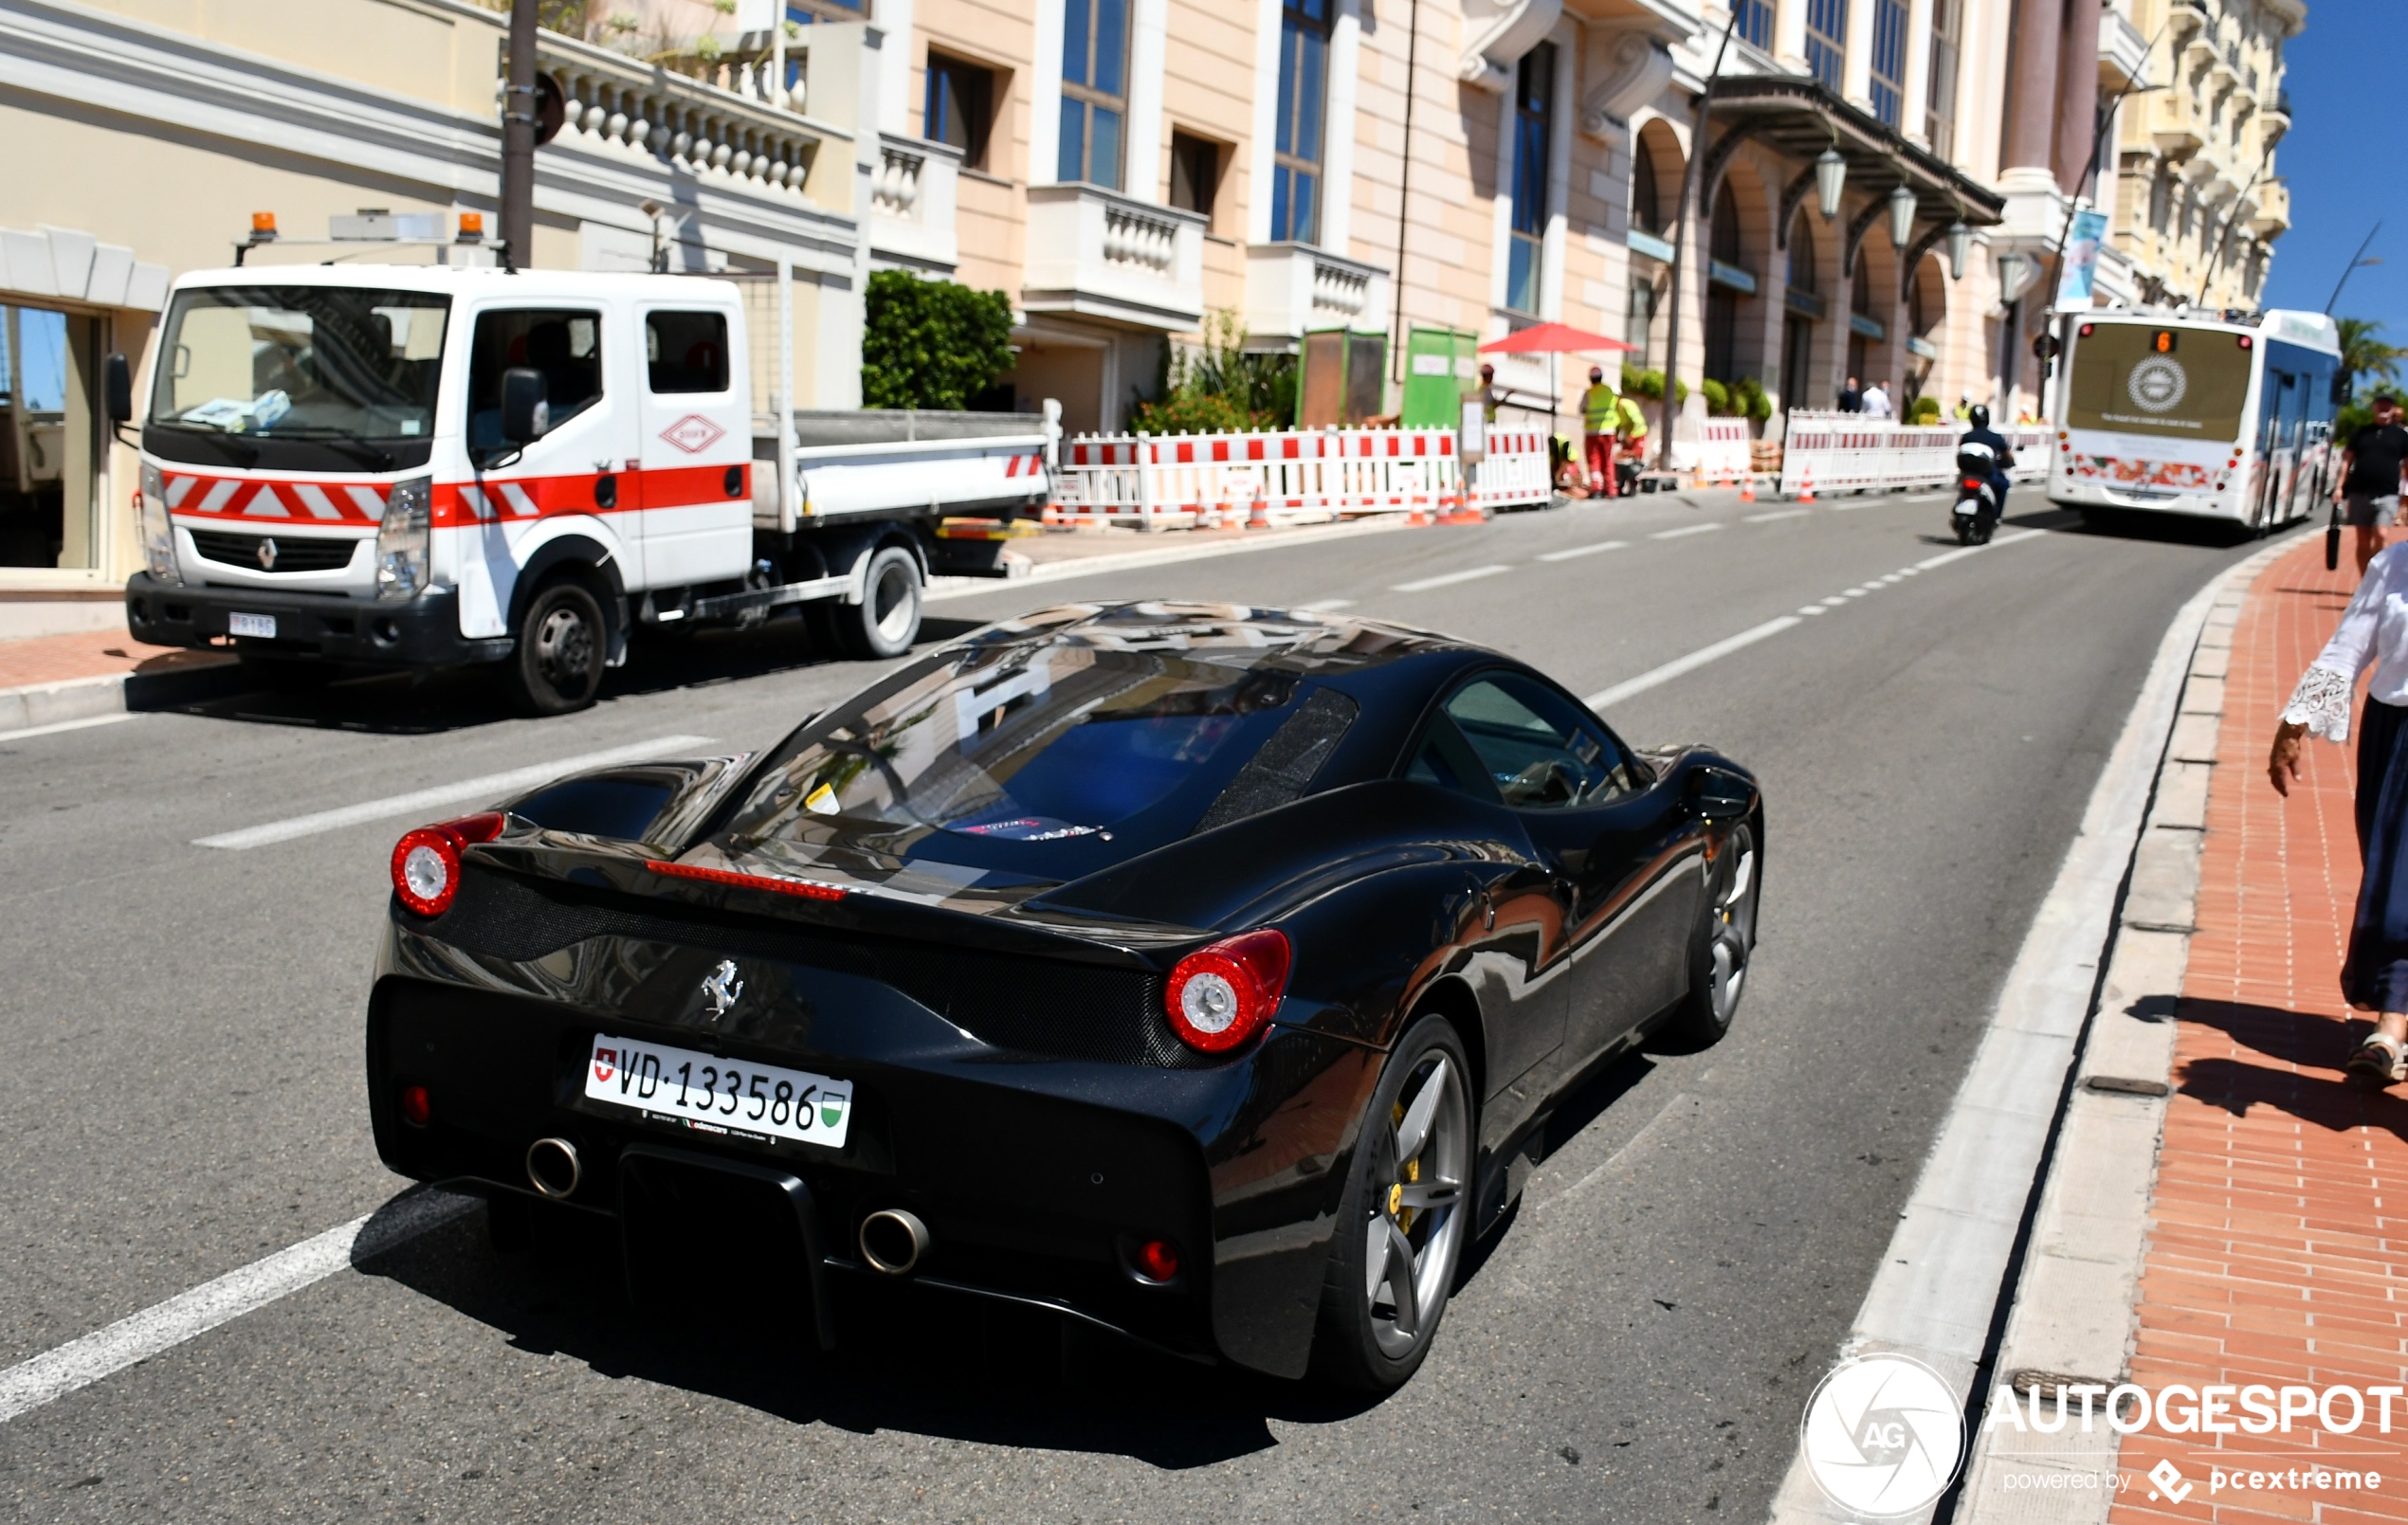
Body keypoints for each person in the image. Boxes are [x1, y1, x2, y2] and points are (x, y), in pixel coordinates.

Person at [2268, 538, 2408, 1084]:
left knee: (2401, 896)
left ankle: (2391, 1029)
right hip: (2394, 738)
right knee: (2390, 884)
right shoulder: (2395, 563)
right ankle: (2394, 1022)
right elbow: (2347, 648)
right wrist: (2294, 724)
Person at [2337, 394, 2408, 580]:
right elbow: (2347, 460)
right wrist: (2339, 487)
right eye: (2380, 405)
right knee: (2362, 540)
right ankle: (2365, 582)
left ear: (2392, 410)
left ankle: (2378, 579)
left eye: (2388, 406)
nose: (2384, 409)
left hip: (2388, 494)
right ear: (2374, 408)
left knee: (2381, 534)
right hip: (2360, 492)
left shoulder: (2401, 436)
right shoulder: (2361, 433)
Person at [1959, 403, 2012, 518]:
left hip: (1967, 474)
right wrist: (2009, 462)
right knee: (2004, 484)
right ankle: (1996, 515)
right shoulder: (1996, 437)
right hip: (1988, 475)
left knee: (1962, 489)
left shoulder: (1967, 437)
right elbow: (2007, 455)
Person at [1580, 365, 1620, 498]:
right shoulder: (1609, 391)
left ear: (1591, 379)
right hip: (1609, 431)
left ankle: (1596, 488)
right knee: (1608, 459)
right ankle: (1611, 490)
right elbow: (1616, 407)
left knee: (1594, 460)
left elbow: (1581, 409)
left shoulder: (1589, 393)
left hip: (1592, 432)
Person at [1614, 390, 1651, 489]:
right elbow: (1618, 425)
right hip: (1628, 435)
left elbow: (1637, 422)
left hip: (1638, 434)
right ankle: (1622, 482)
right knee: (1624, 458)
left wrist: (1632, 436)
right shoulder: (1615, 409)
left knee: (1635, 458)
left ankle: (1633, 484)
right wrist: (1617, 437)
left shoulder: (1626, 405)